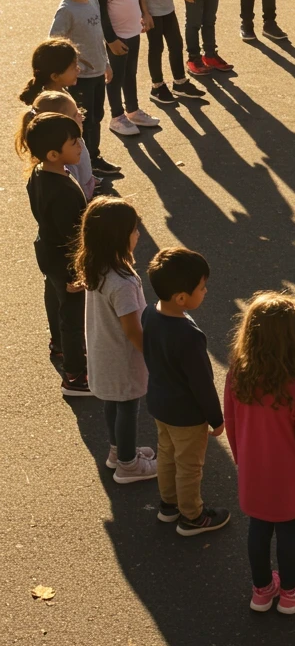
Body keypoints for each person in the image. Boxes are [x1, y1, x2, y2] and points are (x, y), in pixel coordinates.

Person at [224, 292, 295, 615]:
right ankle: (293, 591)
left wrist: (242, 460)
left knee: (258, 529)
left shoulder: (237, 376)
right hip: (287, 477)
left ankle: (262, 589)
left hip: (253, 472)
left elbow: (232, 422)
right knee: (289, 532)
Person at [142, 247, 230, 535]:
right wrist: (216, 418)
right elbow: (201, 383)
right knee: (190, 465)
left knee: (166, 454)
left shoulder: (148, 314)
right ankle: (192, 515)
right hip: (187, 414)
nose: (205, 291)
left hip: (159, 402)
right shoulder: (189, 336)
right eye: (202, 288)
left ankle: (169, 505)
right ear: (182, 298)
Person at [73, 197, 157, 483]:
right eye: (134, 229)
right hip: (123, 358)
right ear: (119, 237)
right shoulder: (122, 281)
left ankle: (118, 450)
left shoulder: (96, 268)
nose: (138, 234)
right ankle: (128, 465)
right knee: (128, 407)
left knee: (113, 403)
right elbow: (132, 329)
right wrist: (153, 356)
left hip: (102, 352)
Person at [23, 113, 88, 395]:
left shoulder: (40, 173)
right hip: (65, 259)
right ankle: (75, 376)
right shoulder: (61, 192)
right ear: (53, 154)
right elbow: (71, 238)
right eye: (74, 142)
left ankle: (59, 345)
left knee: (54, 296)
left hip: (48, 252)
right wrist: (78, 273)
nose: (81, 146)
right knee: (73, 315)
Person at [86, 0, 160, 138]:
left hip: (132, 31)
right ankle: (117, 117)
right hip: (117, 36)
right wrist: (110, 39)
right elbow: (101, 10)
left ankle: (133, 111)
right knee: (115, 77)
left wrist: (144, 14)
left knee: (130, 73)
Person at [49, 0, 118, 176]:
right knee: (82, 123)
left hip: (98, 73)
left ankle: (94, 158)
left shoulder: (93, 1)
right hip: (80, 79)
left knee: (96, 117)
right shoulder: (67, 10)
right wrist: (73, 67)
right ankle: (82, 166)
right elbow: (55, 43)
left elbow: (97, 37)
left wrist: (106, 63)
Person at [16, 91, 96, 201]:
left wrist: (89, 178)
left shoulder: (72, 141)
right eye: (75, 115)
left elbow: (83, 165)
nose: (81, 115)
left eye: (79, 110)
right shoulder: (64, 168)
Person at [20, 37, 80, 105]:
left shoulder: (61, 92)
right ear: (55, 76)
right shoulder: (54, 103)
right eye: (74, 67)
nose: (78, 69)